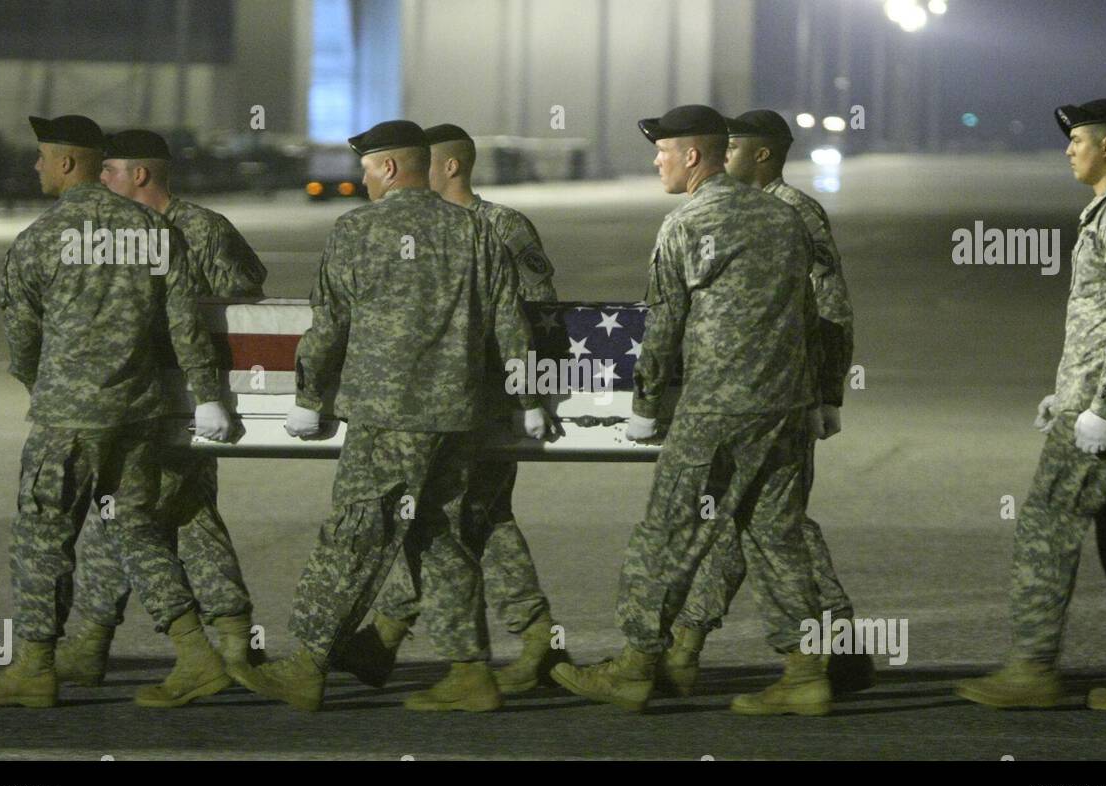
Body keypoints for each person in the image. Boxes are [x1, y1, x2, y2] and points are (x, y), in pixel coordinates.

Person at [226, 120, 550, 712]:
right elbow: (510, 322)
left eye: (369, 169)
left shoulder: (357, 231)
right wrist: (528, 399)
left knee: (354, 534)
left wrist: (307, 397)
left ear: (392, 168)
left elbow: (328, 327)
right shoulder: (476, 231)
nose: (365, 180)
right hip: (457, 416)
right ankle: (470, 672)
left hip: (386, 415)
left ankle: (307, 665)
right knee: (437, 534)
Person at [548, 105, 832, 715]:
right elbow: (809, 314)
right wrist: (816, 393)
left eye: (663, 152)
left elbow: (664, 324)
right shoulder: (784, 219)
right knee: (774, 533)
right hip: (782, 404)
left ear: (694, 156)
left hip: (715, 407)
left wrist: (646, 406)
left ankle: (635, 664)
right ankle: (807, 672)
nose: (656, 162)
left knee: (667, 533)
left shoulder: (686, 223)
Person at [0, 114, 235, 709]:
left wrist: (40, 386)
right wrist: (207, 394)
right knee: (135, 529)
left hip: (67, 415)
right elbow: (186, 324)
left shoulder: (40, 237)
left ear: (65, 163)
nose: (35, 168)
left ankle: (33, 667)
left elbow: (22, 334)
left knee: (43, 533)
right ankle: (196, 654)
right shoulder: (155, 233)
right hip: (137, 413)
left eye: (41, 158)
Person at [956, 99, 1106, 712]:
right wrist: (1068, 393)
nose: (1068, 148)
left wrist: (1102, 406)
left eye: (1078, 138)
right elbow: (1102, 320)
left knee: (1045, 523)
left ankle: (1032, 667)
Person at [341, 122, 569, 695]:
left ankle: (395, 636)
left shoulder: (500, 225)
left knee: (463, 517)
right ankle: (398, 638)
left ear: (447, 167)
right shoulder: (417, 230)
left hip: (486, 405)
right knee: (470, 518)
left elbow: (540, 314)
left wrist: (526, 394)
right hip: (445, 406)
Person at [663, 109, 871, 697]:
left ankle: (685, 649)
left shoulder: (794, 212)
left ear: (760, 155)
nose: (721, 156)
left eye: (732, 149)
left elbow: (830, 304)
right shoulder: (739, 212)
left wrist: (827, 394)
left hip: (783, 394)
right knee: (763, 522)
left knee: (768, 523)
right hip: (761, 393)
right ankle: (836, 649)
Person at [57, 129, 268, 685]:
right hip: (152, 403)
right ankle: (231, 639)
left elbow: (240, 314)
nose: (99, 182)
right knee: (177, 515)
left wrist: (207, 393)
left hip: (182, 406)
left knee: (132, 515)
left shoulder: (201, 229)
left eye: (108, 172)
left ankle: (93, 644)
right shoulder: (122, 232)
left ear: (140, 175)